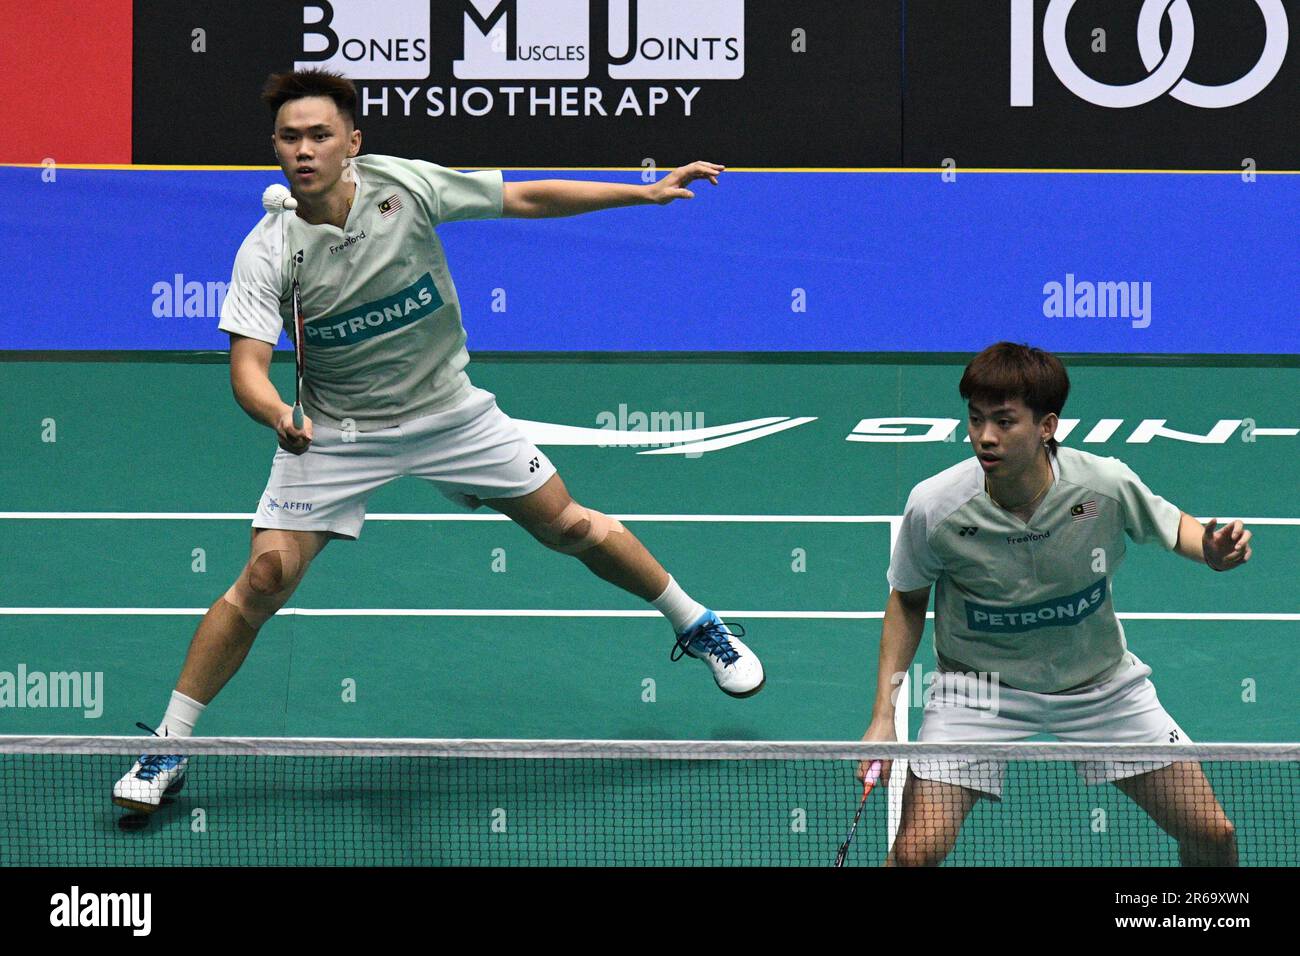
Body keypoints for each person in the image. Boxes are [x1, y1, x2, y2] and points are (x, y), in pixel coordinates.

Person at [113, 68, 763, 814]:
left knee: (570, 525)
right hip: (338, 433)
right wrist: (279, 418)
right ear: (274, 148)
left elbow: (524, 196)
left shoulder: (407, 187)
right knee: (264, 578)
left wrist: (639, 192)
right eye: (289, 137)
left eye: (320, 135)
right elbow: (249, 371)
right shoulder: (268, 249)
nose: (304, 149)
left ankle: (696, 621)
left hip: (450, 411)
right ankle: (172, 742)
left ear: (352, 141)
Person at [860, 342, 1251, 866]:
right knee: (912, 857)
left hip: (1100, 687)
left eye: (1004, 421)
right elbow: (907, 601)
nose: (985, 437)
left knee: (1214, 835)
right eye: (975, 420)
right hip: (978, 692)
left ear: (1047, 426)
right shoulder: (936, 505)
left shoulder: (1102, 484)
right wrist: (884, 713)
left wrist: (1211, 549)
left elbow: (1175, 525)